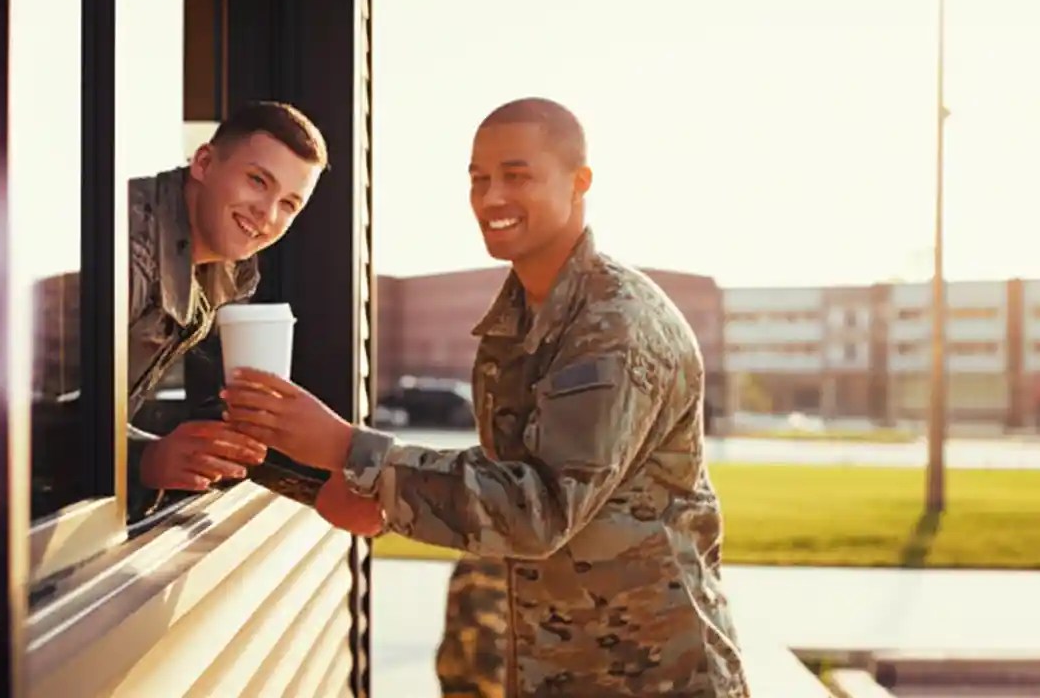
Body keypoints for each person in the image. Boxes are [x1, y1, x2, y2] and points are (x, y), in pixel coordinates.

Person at [220, 97, 750, 697]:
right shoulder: (523, 318)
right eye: (479, 178)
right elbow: (507, 477)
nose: (491, 197)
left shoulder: (614, 326)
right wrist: (316, 470)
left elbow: (539, 508)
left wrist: (353, 452)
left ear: (580, 183)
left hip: (653, 678)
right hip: (564, 671)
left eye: (516, 176)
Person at [34, 100, 332, 520]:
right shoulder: (122, 258)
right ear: (204, 162)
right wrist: (144, 458)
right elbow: (5, 409)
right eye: (257, 180)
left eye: (288, 205)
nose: (266, 215)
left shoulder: (231, 269)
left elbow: (198, 402)